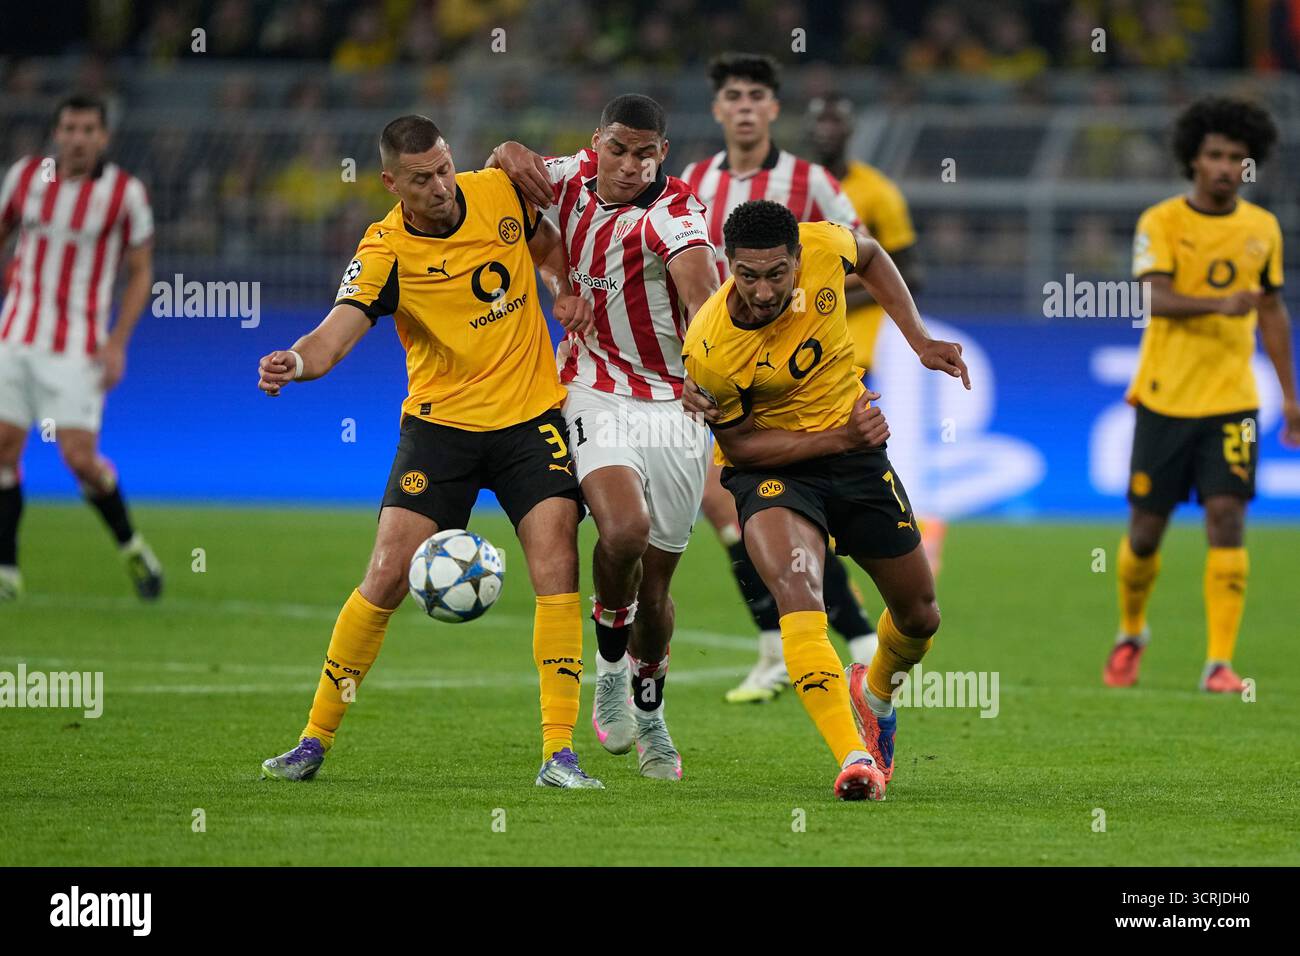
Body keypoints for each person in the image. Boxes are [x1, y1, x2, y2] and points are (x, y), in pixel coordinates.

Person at [258, 115, 605, 789]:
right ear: (392, 182)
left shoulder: (499, 191)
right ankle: (313, 739)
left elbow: (549, 248)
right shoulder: (385, 251)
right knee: (385, 575)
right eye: (422, 178)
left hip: (531, 419)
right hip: (440, 429)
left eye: (445, 168)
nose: (441, 186)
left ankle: (558, 753)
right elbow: (333, 340)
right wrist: (293, 362)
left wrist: (563, 289)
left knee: (557, 563)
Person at [683, 200, 970, 799]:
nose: (763, 290)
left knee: (920, 616)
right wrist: (837, 436)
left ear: (798, 259)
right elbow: (740, 446)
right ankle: (854, 757)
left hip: (856, 460)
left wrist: (917, 340)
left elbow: (871, 255)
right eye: (748, 274)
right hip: (775, 470)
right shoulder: (710, 348)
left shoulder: (824, 245)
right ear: (727, 265)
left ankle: (877, 697)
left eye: (777, 274)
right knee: (797, 586)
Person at [488, 93, 719, 780]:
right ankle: (610, 667)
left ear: (662, 154)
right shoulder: (570, 175)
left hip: (678, 403)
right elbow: (504, 177)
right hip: (594, 388)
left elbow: (706, 299)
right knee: (621, 532)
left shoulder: (674, 214)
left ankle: (650, 709)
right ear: (598, 142)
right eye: (617, 148)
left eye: (644, 153)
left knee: (657, 589)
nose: (628, 164)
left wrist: (707, 371)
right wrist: (557, 276)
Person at [680, 52, 880, 703]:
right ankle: (797, 645)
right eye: (732, 94)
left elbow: (859, 253)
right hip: (727, 374)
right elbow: (670, 270)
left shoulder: (812, 180)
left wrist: (811, 324)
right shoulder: (694, 181)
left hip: (808, 380)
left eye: (756, 95)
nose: (743, 105)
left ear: (773, 108)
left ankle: (833, 643)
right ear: (718, 109)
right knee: (731, 509)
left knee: (790, 512)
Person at [1107, 97, 1299, 692]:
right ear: (1193, 159)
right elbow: (1156, 298)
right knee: (1145, 532)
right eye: (1215, 155)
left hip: (1234, 401)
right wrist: (1220, 303)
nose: (1225, 167)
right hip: (1165, 398)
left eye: (1238, 158)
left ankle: (1218, 662)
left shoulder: (1262, 229)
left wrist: (1290, 397)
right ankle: (1132, 632)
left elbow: (1271, 311)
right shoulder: (1161, 221)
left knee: (1227, 517)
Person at [0, 93, 162, 602]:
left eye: (88, 129)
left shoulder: (125, 194)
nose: (78, 138)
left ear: (104, 137)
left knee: (79, 459)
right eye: (69, 128)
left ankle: (130, 543)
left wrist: (117, 343)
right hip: (15, 335)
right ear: (56, 133)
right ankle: (6, 569)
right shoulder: (25, 178)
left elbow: (141, 273)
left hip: (78, 347)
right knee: (3, 449)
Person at [805, 91, 949, 578]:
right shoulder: (792, 187)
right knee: (827, 442)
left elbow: (913, 273)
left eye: (836, 121)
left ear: (850, 130)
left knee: (847, 443)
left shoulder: (878, 192)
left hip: (853, 343)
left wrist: (836, 298)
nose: (827, 129)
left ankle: (899, 537)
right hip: (797, 341)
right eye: (819, 121)